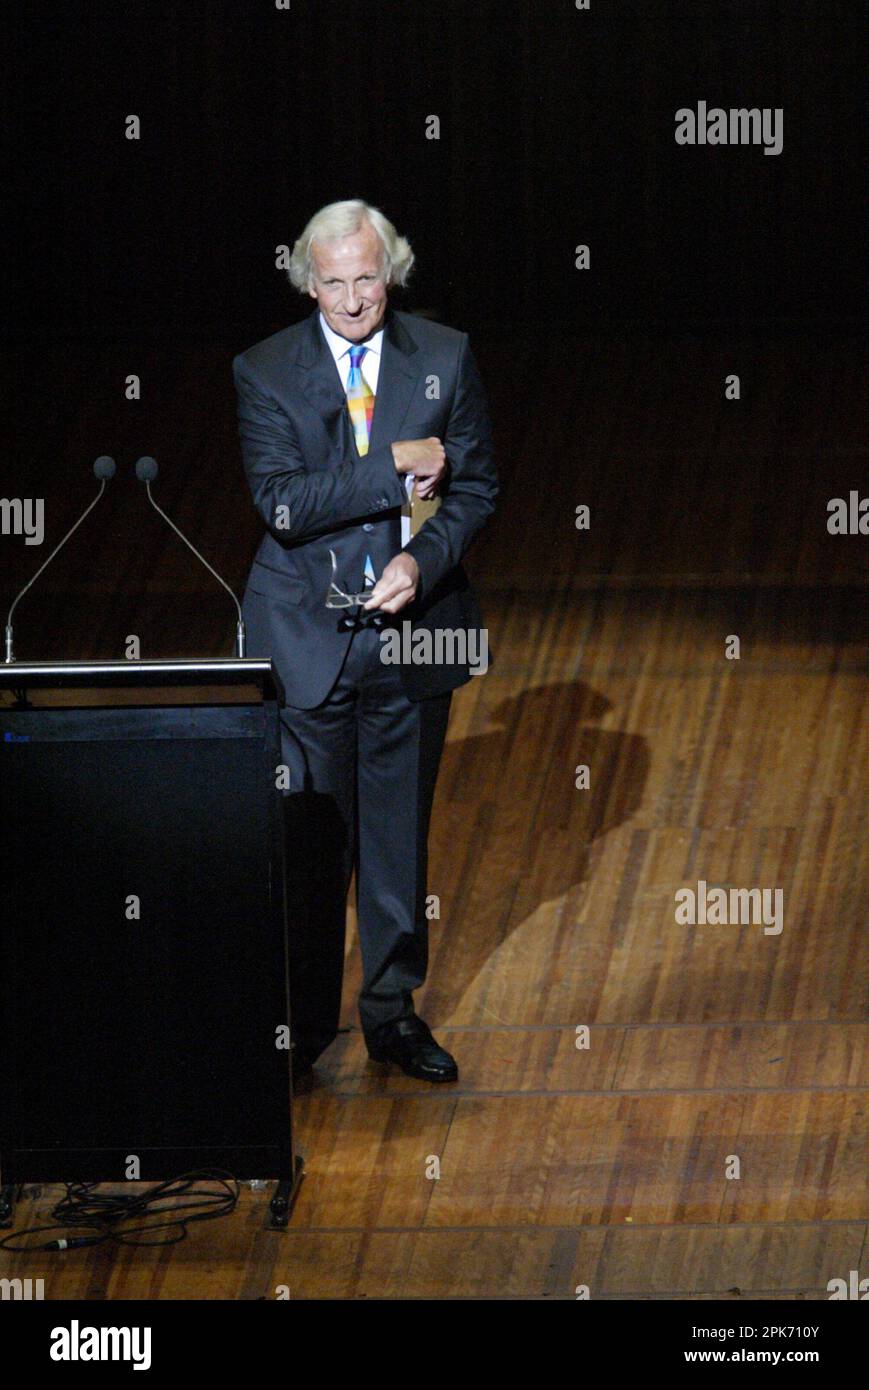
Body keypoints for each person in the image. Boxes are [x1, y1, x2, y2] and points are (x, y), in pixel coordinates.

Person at [233, 199, 497, 1084]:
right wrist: (390, 463)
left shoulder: (445, 356)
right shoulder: (265, 371)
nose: (351, 301)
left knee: (395, 848)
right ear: (308, 282)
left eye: (367, 280)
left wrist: (421, 563)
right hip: (306, 642)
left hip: (410, 641)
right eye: (333, 282)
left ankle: (389, 1015)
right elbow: (283, 504)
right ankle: (300, 1032)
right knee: (311, 850)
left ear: (394, 274)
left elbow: (474, 491)